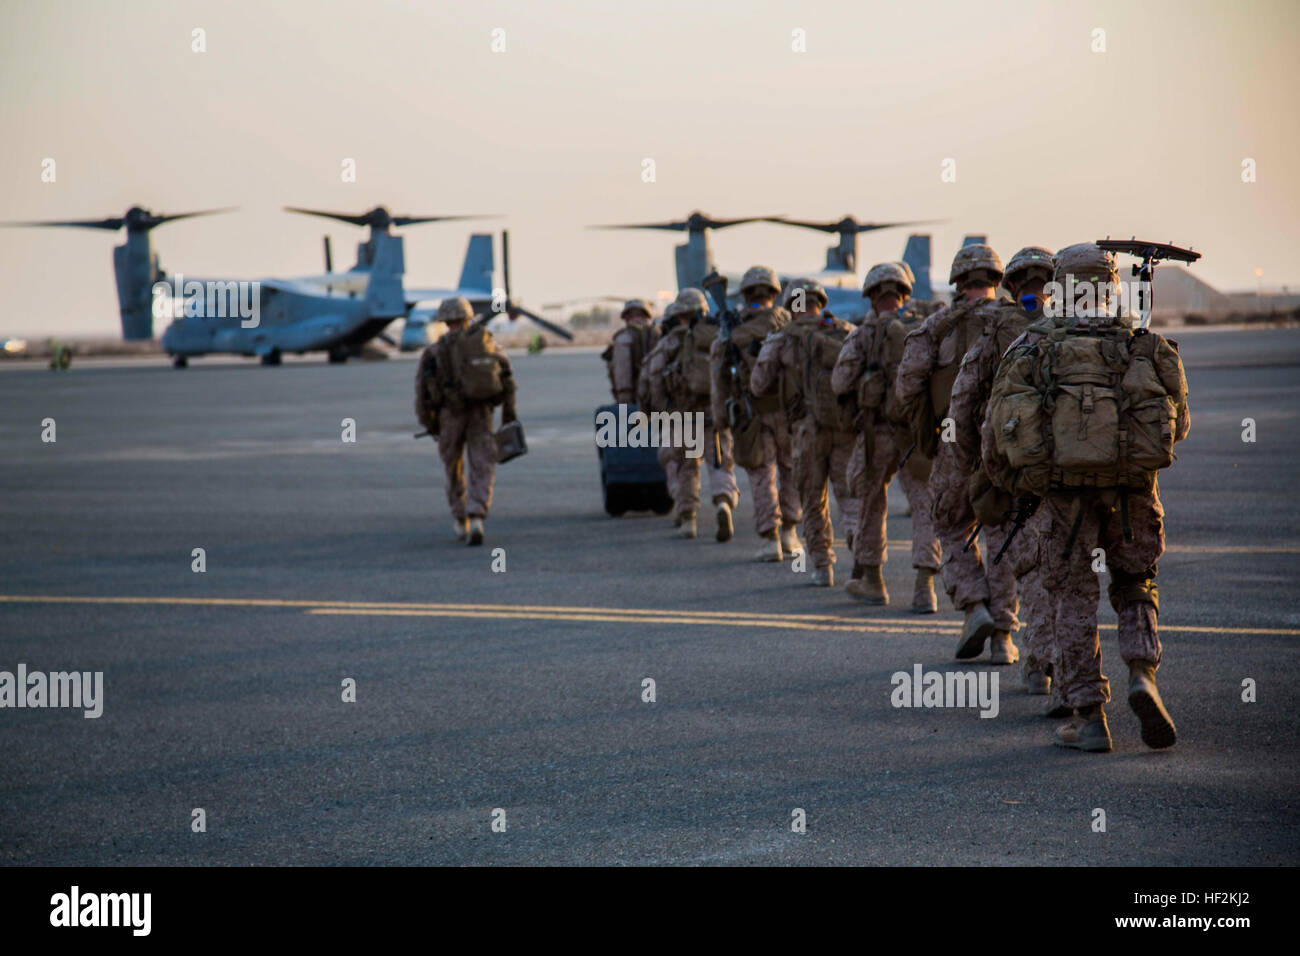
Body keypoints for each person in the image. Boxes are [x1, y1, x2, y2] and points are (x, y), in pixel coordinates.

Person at [982, 242, 1189, 752]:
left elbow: (995, 436)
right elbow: (1178, 425)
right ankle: (1142, 673)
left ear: (1058, 289)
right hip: (1132, 493)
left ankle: (1090, 714)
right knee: (1136, 582)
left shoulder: (1030, 346)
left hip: (1062, 498)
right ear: (1111, 286)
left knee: (1072, 597)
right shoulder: (1144, 344)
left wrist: (1019, 488)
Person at [895, 244, 1018, 658]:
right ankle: (1004, 638)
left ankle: (974, 605)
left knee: (949, 525)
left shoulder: (936, 325)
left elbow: (907, 383)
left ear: (957, 282)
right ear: (998, 282)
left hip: (953, 441)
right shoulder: (1017, 322)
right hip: (1005, 444)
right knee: (1001, 533)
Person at [832, 262, 942, 610]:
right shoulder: (923, 329)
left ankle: (873, 580)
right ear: (904, 293)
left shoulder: (863, 334)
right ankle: (925, 585)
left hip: (876, 433)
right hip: (915, 433)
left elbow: (840, 382)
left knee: (869, 502)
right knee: (924, 504)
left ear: (870, 297)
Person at [750, 278, 857, 585]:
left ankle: (823, 568)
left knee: (813, 499)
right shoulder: (846, 332)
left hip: (805, 431)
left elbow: (758, 385)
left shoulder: (781, 339)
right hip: (842, 426)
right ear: (820, 303)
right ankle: (862, 557)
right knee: (850, 498)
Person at [711, 266, 802, 561]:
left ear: (747, 294)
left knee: (763, 475)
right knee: (791, 471)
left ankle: (769, 539)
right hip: (788, 413)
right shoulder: (789, 325)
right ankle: (790, 533)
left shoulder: (733, 330)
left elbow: (719, 374)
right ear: (775, 294)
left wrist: (720, 419)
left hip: (751, 414)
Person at [414, 297, 516, 546]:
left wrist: (429, 422)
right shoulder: (487, 344)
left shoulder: (434, 351)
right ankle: (477, 514)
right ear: (468, 318)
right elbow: (507, 379)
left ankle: (460, 519)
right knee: (482, 464)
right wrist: (508, 414)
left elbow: (421, 393)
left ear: (445, 322)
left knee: (453, 467)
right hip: (481, 412)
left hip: (450, 415)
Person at [648, 288, 740, 539]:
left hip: (683, 416)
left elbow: (654, 378)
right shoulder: (714, 337)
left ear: (679, 314)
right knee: (720, 463)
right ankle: (723, 502)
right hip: (713, 412)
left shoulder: (668, 342)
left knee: (687, 468)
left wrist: (661, 410)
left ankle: (688, 519)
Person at [604, 298, 659, 404]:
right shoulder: (660, 333)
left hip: (636, 399)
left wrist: (625, 398)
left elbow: (622, 371)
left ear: (626, 317)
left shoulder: (624, 338)